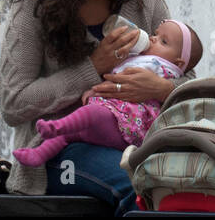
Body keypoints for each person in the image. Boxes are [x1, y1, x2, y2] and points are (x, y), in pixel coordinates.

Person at [0, 0, 190, 214]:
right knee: (137, 186)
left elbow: (189, 78)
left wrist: (161, 88)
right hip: (57, 152)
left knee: (184, 186)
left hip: (138, 144)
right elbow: (13, 103)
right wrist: (92, 68)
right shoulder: (34, 5)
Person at [12, 19, 202, 166]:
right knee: (70, 135)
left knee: (90, 115)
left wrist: (163, 88)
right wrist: (93, 86)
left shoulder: (161, 67)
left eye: (163, 41)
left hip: (125, 127)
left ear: (177, 64)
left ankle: (57, 125)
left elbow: (190, 85)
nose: (152, 38)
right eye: (155, 34)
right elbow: (110, 79)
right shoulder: (145, 57)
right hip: (110, 117)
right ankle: (38, 154)